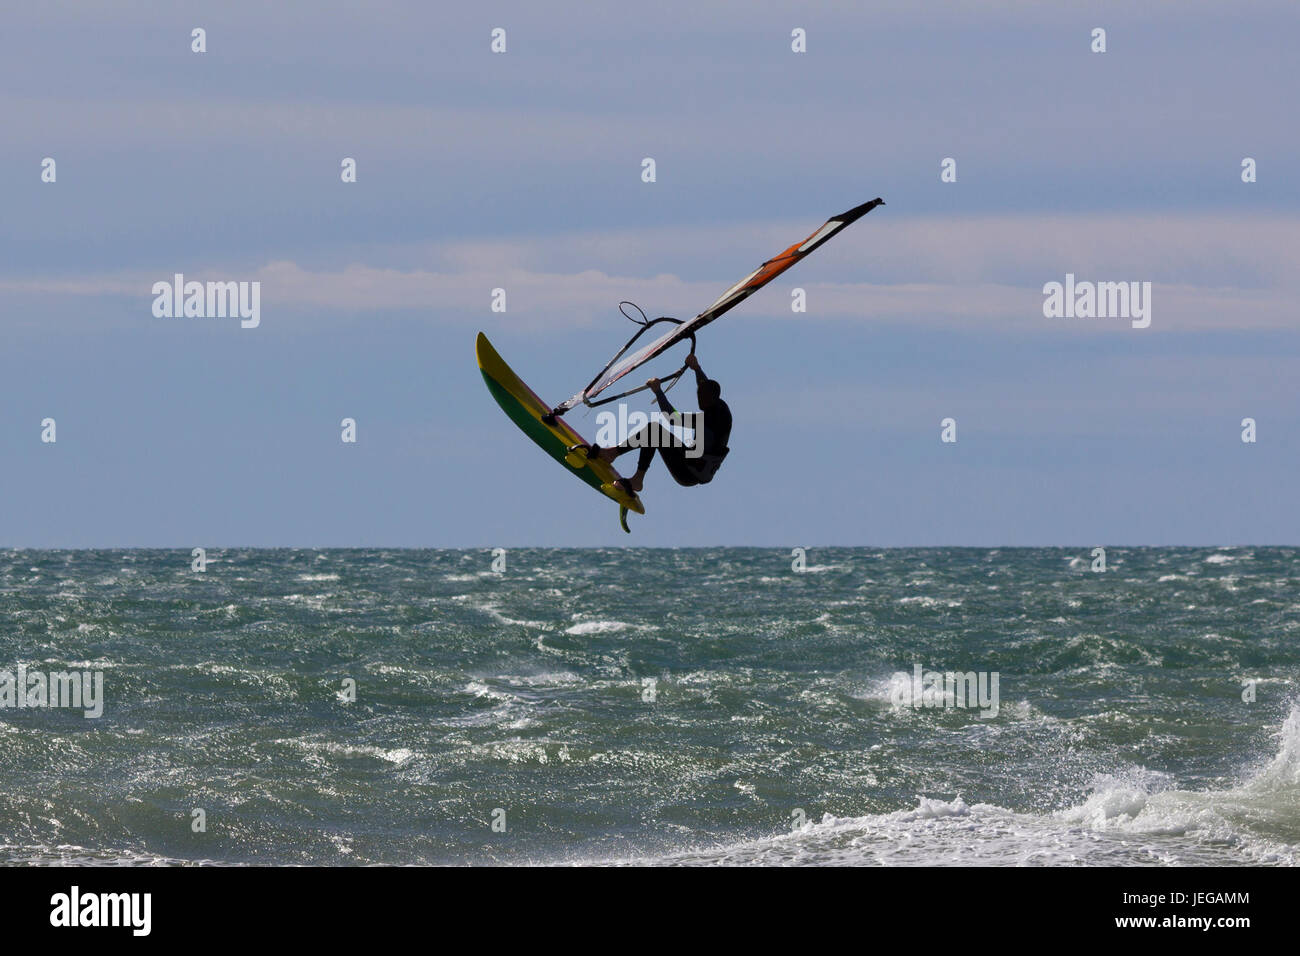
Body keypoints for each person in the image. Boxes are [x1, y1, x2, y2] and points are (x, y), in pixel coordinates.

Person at [591, 354, 731, 495]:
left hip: (688, 472)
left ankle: (632, 474)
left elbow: (672, 418)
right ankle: (615, 455)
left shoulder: (711, 419)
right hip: (693, 463)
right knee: (654, 431)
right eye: (699, 396)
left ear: (712, 399)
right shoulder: (719, 406)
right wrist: (696, 368)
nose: (700, 400)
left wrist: (658, 391)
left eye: (703, 398)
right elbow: (705, 385)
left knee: (654, 431)